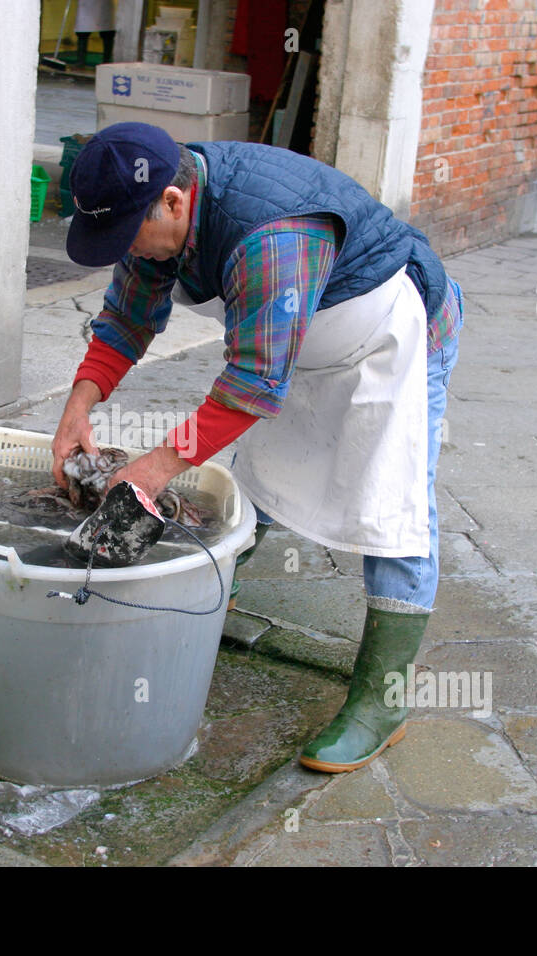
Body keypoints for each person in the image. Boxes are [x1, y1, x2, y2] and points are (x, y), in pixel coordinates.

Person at [51, 122, 464, 774]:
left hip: (391, 336)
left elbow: (248, 387)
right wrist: (76, 410)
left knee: (396, 510)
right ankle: (212, 600)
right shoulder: (157, 216)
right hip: (298, 342)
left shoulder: (269, 236)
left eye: (128, 234)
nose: (126, 249)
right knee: (262, 478)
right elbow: (128, 317)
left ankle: (382, 701)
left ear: (175, 203)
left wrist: (152, 471)